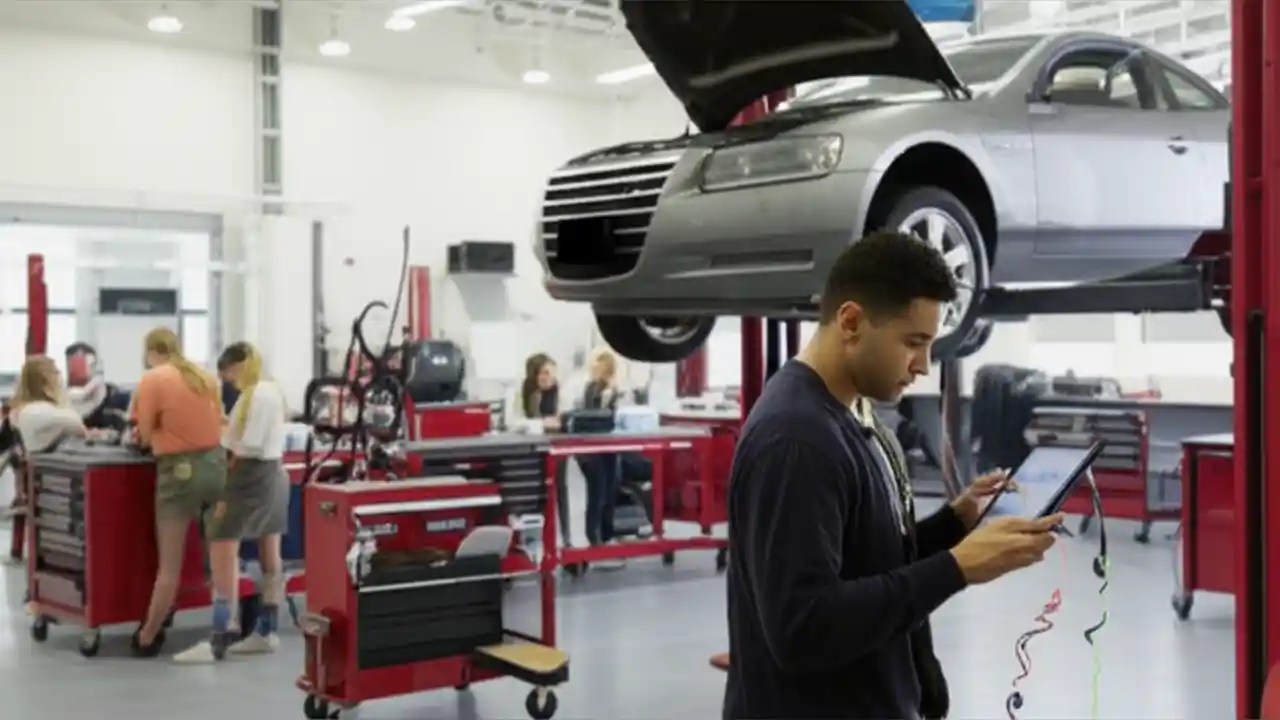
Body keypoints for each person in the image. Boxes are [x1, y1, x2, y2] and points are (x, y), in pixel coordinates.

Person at [723, 231, 1062, 720]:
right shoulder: (795, 440)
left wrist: (954, 523)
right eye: (913, 343)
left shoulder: (853, 411)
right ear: (852, 322)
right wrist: (956, 568)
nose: (923, 366)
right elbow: (803, 628)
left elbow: (866, 561)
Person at [172, 341, 290, 661]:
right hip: (274, 476)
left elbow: (246, 445)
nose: (228, 381)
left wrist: (221, 441)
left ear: (238, 365)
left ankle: (219, 637)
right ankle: (266, 631)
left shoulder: (257, 394)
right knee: (270, 556)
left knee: (221, 547)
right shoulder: (270, 390)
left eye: (228, 375)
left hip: (251, 476)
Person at [129, 327, 230, 661]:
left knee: (169, 566)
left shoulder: (154, 378)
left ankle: (147, 636)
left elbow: (142, 436)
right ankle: (223, 629)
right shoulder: (204, 376)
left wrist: (148, 430)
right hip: (216, 468)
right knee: (220, 560)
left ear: (152, 351)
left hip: (179, 474)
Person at [506, 353, 573, 547]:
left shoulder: (560, 392)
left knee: (561, 490)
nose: (549, 377)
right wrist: (542, 423)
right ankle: (534, 537)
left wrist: (555, 424)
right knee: (535, 493)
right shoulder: (520, 392)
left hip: (556, 446)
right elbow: (512, 422)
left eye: (551, 373)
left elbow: (565, 417)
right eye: (544, 373)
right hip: (529, 450)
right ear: (534, 374)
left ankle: (566, 538)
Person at [577, 347, 623, 563]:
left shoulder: (615, 391)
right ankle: (594, 539)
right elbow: (591, 415)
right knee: (598, 493)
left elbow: (616, 417)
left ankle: (607, 535)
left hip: (610, 447)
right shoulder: (590, 389)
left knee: (610, 490)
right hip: (591, 449)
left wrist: (613, 395)